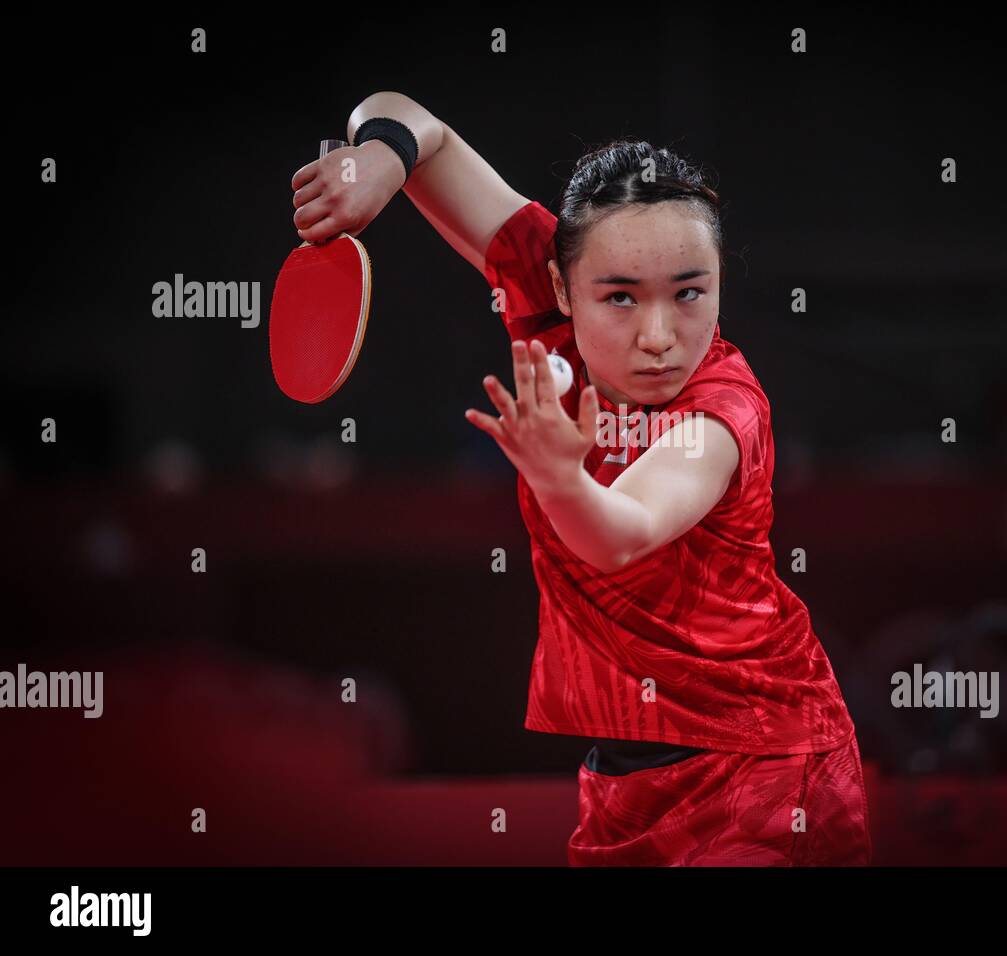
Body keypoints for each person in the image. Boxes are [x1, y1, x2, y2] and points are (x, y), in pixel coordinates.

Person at [290, 91, 872, 866]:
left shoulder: (723, 410)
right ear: (563, 288)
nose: (659, 336)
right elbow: (416, 123)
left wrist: (563, 481)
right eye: (620, 297)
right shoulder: (542, 299)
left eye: (690, 292)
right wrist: (382, 159)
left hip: (766, 765)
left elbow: (621, 535)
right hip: (622, 779)